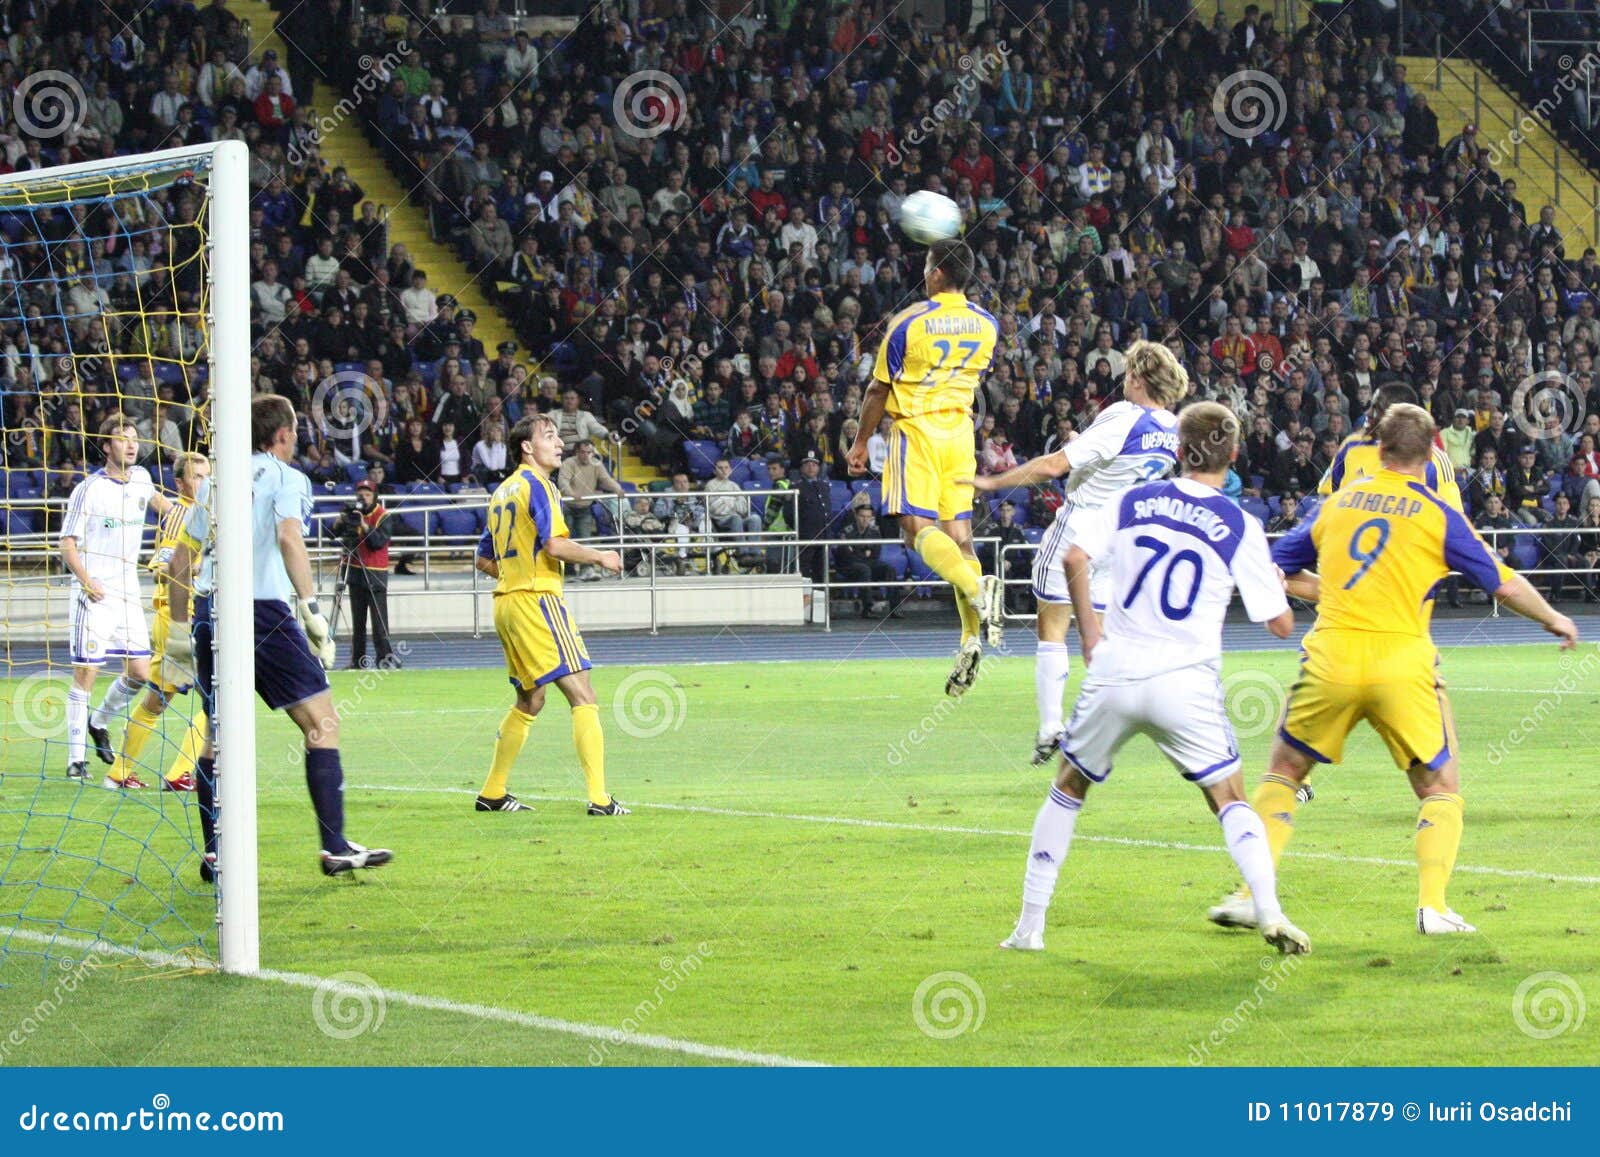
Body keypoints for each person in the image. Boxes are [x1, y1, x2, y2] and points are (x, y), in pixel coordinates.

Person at [1209, 404, 1577, 935]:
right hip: (1402, 665)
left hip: (1331, 658)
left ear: (1377, 448)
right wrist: (1553, 617)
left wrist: (1301, 598)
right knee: (1440, 787)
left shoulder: (1338, 505)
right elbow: (1502, 582)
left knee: (1285, 773)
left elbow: (1275, 568)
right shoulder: (1437, 513)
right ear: (1432, 454)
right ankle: (1434, 907)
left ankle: (1250, 896)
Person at [999, 402, 1308, 957]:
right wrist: (1276, 583)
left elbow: (1073, 555)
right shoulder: (1241, 523)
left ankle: (1029, 928)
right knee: (1229, 798)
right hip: (1184, 682)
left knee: (1068, 789)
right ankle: (1270, 911)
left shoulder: (1131, 499)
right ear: (1232, 456)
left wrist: (1090, 633)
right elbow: (1281, 625)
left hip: (1116, 669)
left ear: (1179, 450)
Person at [164, 394, 393, 878]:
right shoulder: (288, 478)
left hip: (210, 611)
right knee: (323, 722)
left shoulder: (215, 482)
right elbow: (290, 537)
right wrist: (310, 609)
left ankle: (215, 850)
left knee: (217, 734)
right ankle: (333, 846)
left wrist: (180, 632)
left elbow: (181, 558)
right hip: (260, 610)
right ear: (284, 434)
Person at [974, 340, 1184, 764]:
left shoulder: (1125, 416)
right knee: (1098, 635)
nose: (1123, 381)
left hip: (1080, 527)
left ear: (1140, 379)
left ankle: (1052, 725)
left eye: (1128, 375)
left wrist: (991, 483)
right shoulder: (1173, 429)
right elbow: (1114, 461)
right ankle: (1109, 723)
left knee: (1053, 626)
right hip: (1118, 536)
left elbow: (1054, 466)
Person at [846, 238, 1003, 699]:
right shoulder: (988, 325)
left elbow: (878, 391)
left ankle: (978, 587)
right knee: (960, 539)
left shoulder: (908, 323)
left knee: (915, 531)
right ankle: (970, 637)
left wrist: (860, 443)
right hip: (960, 434)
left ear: (935, 273)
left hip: (915, 432)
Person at [473, 413, 628, 815]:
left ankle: (492, 792)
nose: (559, 442)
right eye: (550, 435)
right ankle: (599, 799)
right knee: (583, 693)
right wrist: (601, 555)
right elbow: (556, 546)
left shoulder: (503, 491)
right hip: (537, 600)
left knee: (531, 698)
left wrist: (517, 571)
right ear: (527, 447)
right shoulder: (539, 486)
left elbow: (483, 559)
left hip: (506, 602)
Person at [59, 416, 176, 785]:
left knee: (141, 673)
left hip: (127, 593)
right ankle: (76, 760)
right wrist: (87, 580)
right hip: (94, 595)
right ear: (106, 446)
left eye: (133, 439)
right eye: (121, 439)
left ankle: (100, 721)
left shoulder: (142, 478)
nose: (130, 445)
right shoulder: (89, 489)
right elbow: (67, 543)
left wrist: (195, 513)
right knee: (86, 674)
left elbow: (168, 511)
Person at [109, 451, 208, 791]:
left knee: (156, 701)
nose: (204, 482)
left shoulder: (193, 512)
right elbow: (163, 566)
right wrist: (197, 567)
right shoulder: (183, 514)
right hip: (181, 616)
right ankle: (179, 773)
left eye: (207, 475)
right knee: (219, 700)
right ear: (180, 483)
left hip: (178, 616)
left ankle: (119, 772)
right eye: (196, 476)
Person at [1318, 382, 1462, 509]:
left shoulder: (1433, 460)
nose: (1368, 413)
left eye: (1376, 408)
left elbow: (1451, 519)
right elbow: (1326, 496)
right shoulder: (1351, 445)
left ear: (1399, 417)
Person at [336, 479, 399, 669]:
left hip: (375, 572)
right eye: (360, 494)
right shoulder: (351, 513)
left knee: (379, 621)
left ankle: (385, 658)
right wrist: (340, 521)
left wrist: (364, 526)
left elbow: (378, 542)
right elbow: (334, 534)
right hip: (354, 570)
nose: (363, 498)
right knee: (358, 621)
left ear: (375, 496)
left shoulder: (383, 515)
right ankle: (358, 660)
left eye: (368, 494)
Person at [556, 439, 625, 579]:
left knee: (585, 540)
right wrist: (571, 494)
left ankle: (586, 570)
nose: (586, 455)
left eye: (589, 452)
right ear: (577, 452)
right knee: (565, 540)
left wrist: (618, 489)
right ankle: (567, 572)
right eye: (583, 452)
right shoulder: (568, 463)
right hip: (567, 506)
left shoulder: (596, 464)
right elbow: (563, 482)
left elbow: (606, 479)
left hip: (585, 506)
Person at [835, 497, 897, 617]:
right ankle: (868, 608)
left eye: (868, 517)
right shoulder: (847, 531)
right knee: (864, 569)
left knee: (889, 569)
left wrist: (857, 550)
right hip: (848, 567)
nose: (865, 520)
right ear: (856, 516)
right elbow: (847, 556)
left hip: (868, 563)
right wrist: (865, 551)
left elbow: (875, 554)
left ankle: (895, 608)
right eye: (862, 516)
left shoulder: (875, 531)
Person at [705, 457, 761, 573]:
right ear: (714, 471)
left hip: (737, 519)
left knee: (755, 518)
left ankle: (755, 553)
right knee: (736, 517)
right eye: (720, 468)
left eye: (726, 468)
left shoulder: (734, 485)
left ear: (730, 470)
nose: (724, 471)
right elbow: (715, 509)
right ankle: (743, 553)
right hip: (721, 522)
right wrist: (733, 503)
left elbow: (744, 508)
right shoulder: (710, 486)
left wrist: (725, 501)